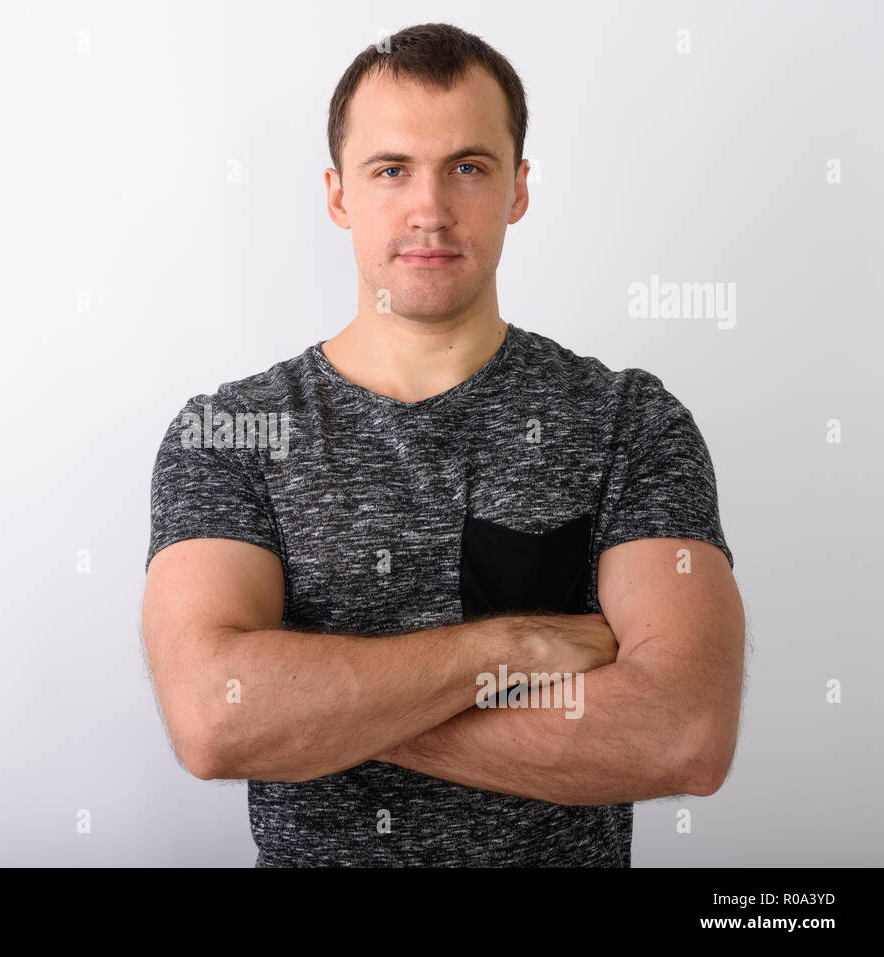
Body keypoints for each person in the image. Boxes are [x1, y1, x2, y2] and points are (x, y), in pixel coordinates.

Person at [141, 22, 745, 867]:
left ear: (518, 189)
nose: (428, 209)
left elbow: (683, 733)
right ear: (338, 194)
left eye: (468, 166)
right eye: (391, 170)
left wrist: (320, 711)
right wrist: (515, 646)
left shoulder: (628, 422)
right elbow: (213, 717)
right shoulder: (232, 434)